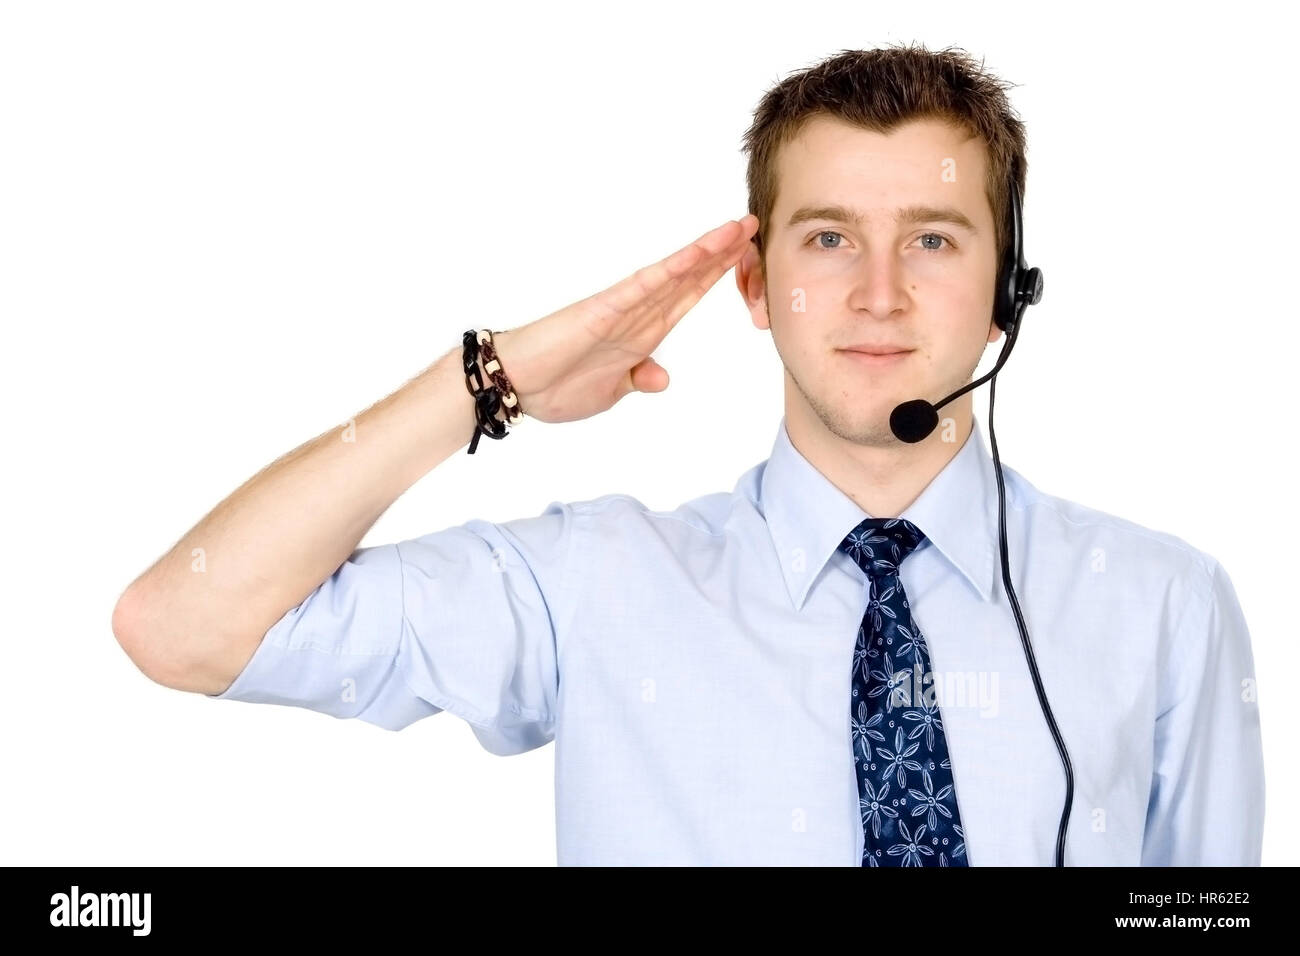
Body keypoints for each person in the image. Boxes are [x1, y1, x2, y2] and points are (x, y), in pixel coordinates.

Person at [111, 44, 1265, 866]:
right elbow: (180, 626)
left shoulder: (1165, 603)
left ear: (1007, 292)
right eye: (826, 237)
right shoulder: (596, 582)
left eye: (931, 237)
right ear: (755, 285)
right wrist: (488, 380)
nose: (877, 292)